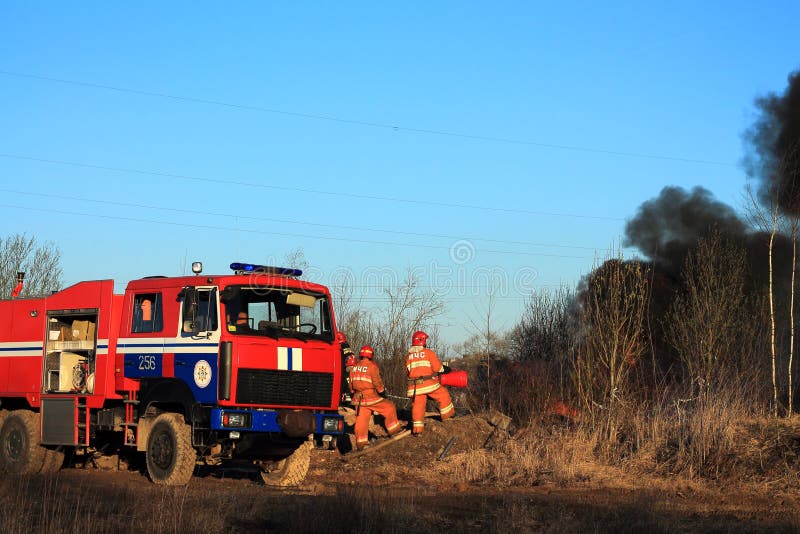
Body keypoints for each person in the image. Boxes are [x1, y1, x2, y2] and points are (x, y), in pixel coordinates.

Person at [349, 345, 403, 450]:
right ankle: (394, 430)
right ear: (371, 355)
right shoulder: (372, 367)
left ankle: (361, 443)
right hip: (370, 397)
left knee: (361, 420)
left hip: (358, 399)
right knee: (389, 407)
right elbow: (377, 382)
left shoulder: (354, 368)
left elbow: (351, 387)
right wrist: (382, 393)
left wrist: (353, 394)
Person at [405, 330, 454, 435]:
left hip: (414, 387)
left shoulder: (409, 356)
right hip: (427, 384)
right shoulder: (428, 353)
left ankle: (417, 430)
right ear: (422, 341)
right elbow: (437, 368)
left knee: (418, 406)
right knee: (443, 394)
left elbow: (408, 372)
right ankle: (448, 416)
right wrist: (446, 369)